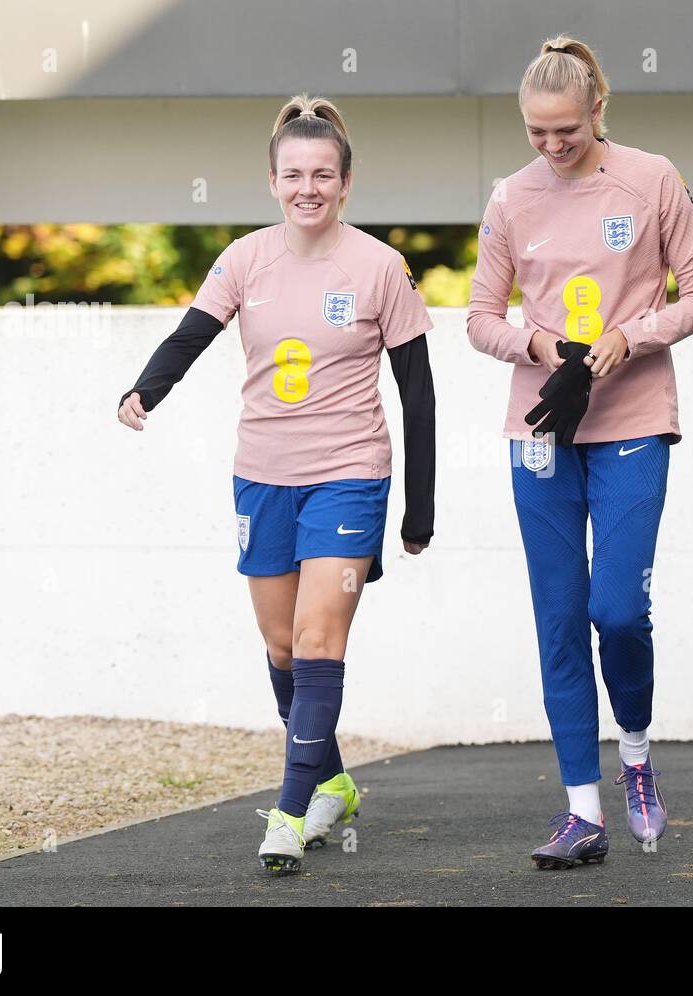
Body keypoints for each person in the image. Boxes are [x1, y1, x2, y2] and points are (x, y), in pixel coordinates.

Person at [118, 95, 436, 875]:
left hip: (349, 476)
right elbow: (193, 333)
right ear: (272, 180)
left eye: (323, 174)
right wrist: (143, 389)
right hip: (262, 476)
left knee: (323, 638)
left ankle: (290, 814)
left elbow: (418, 393)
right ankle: (329, 782)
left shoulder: (379, 267)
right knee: (285, 645)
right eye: (293, 174)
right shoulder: (243, 258)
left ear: (346, 182)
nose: (308, 187)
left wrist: (418, 509)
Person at [467, 36, 693, 869]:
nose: (551, 147)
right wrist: (537, 347)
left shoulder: (652, 180)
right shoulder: (510, 197)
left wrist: (630, 336)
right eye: (537, 133)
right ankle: (582, 811)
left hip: (635, 420)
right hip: (541, 428)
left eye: (566, 131)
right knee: (559, 617)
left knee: (617, 610)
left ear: (598, 109)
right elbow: (478, 318)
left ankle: (638, 756)